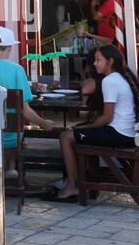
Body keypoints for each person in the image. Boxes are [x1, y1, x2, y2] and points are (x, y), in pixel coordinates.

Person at [56, 46, 139, 200]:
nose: (95, 63)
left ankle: (72, 186)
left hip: (118, 134)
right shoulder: (120, 77)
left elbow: (107, 117)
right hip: (126, 133)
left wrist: (86, 127)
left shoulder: (109, 81)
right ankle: (81, 181)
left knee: (65, 137)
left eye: (98, 60)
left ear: (110, 61)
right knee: (74, 133)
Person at [0, 26, 56, 150]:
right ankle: (11, 165)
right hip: (10, 138)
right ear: (9, 48)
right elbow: (25, 110)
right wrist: (43, 123)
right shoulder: (17, 70)